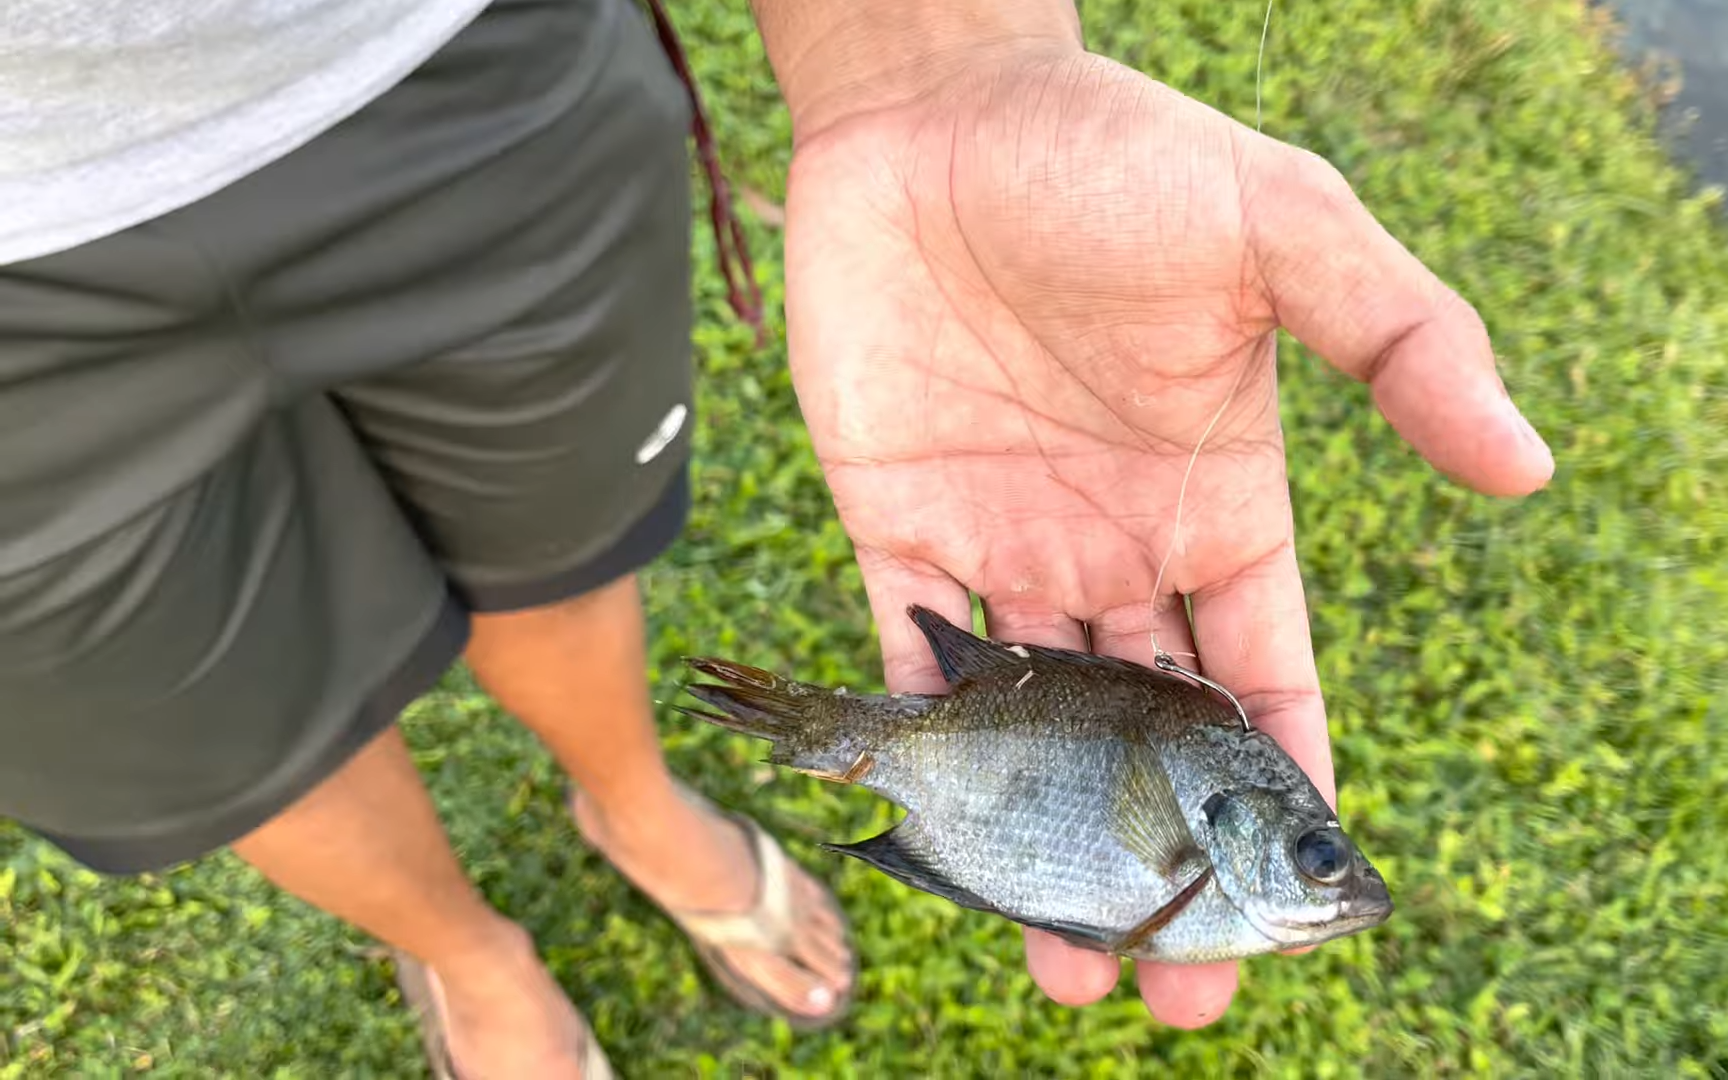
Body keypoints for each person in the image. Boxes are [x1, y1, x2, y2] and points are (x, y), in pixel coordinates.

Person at [0, 0, 1554, 1073]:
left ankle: (642, 807)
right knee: (208, 723)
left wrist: (932, 62)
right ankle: (472, 956)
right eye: (1310, 849)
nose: (1325, 869)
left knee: (556, 546)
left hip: (448, 68)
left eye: (1313, 857)